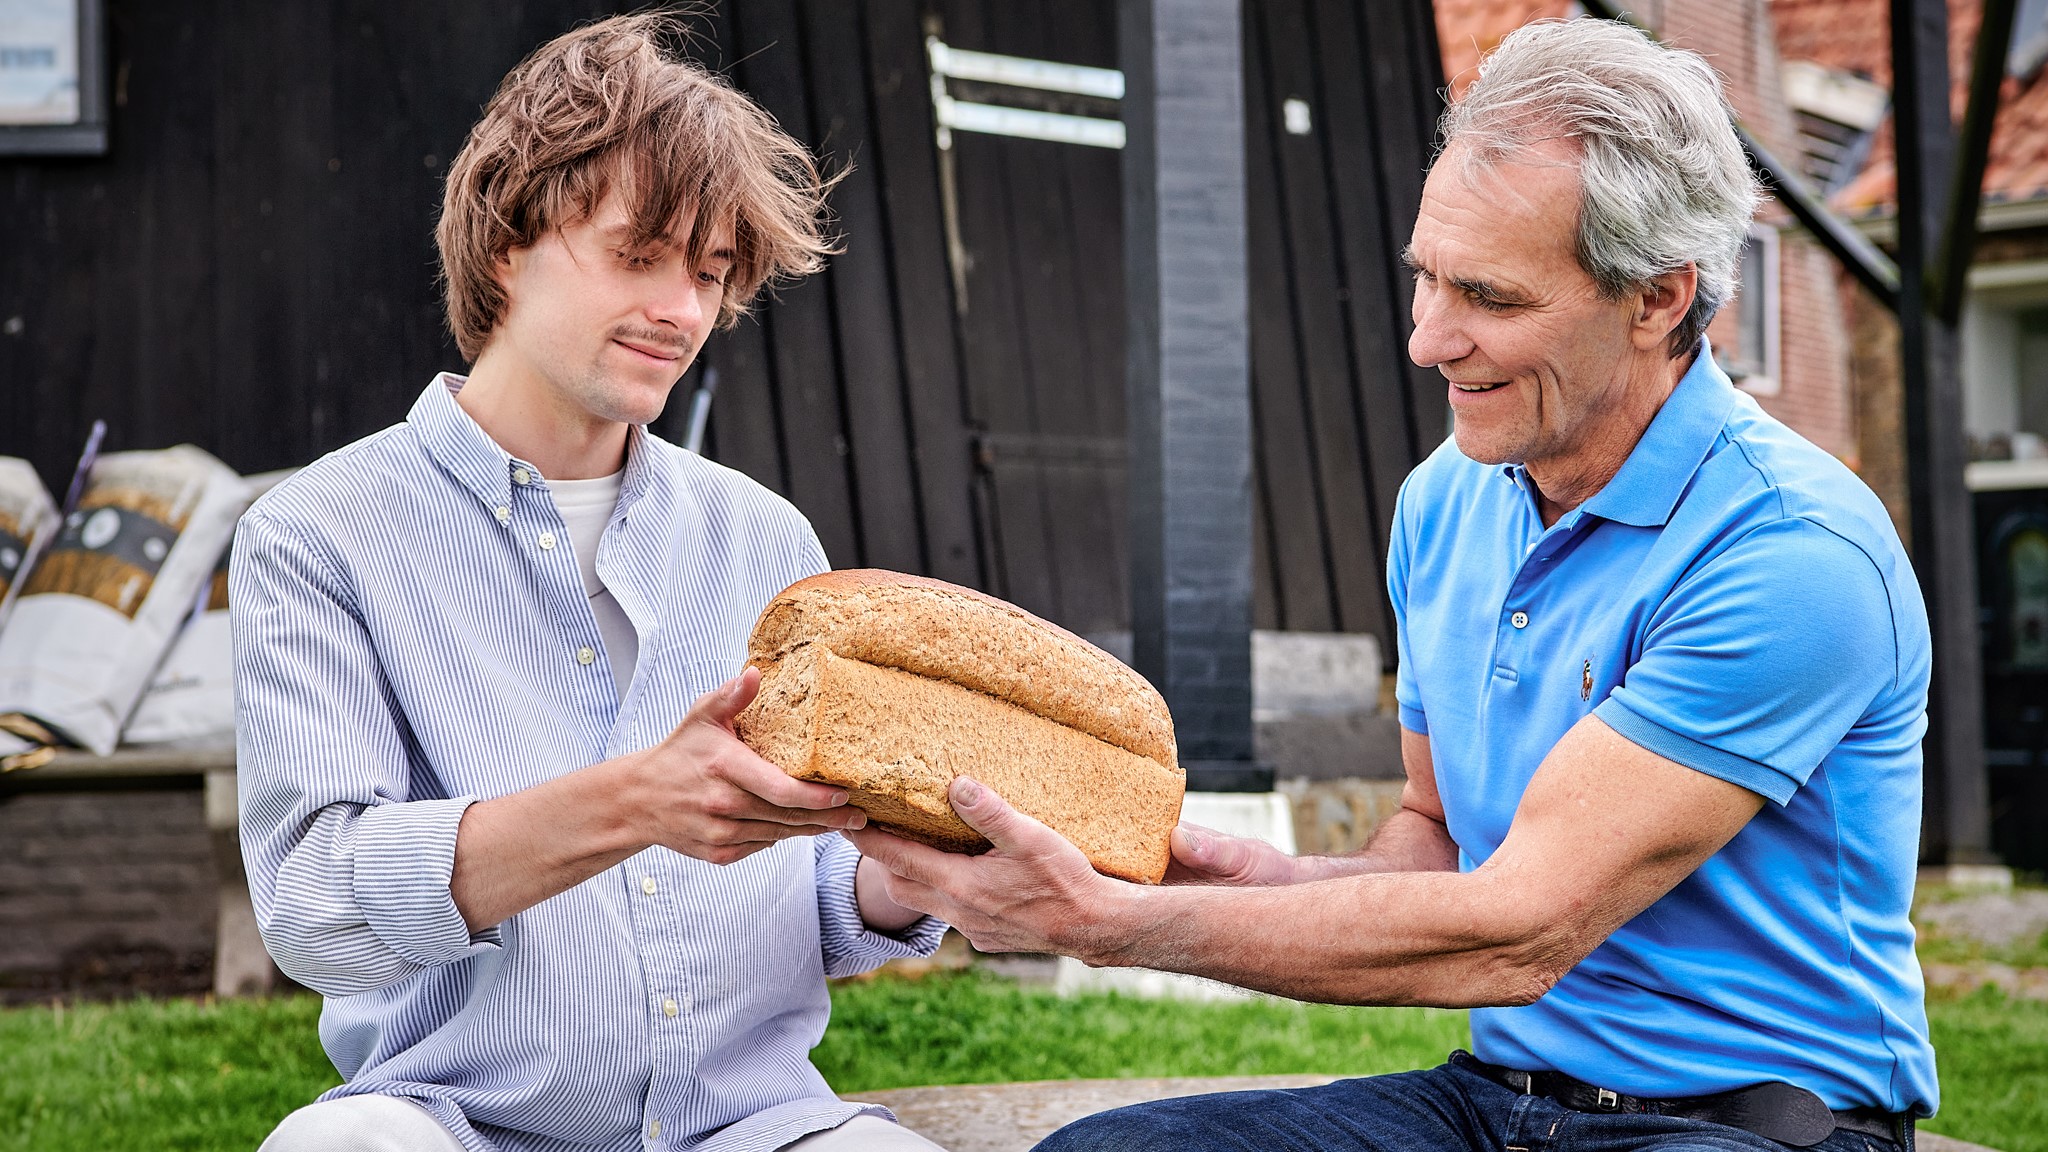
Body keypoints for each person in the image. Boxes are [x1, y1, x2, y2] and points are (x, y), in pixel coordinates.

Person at [850, 18, 1935, 1152]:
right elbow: (1434, 835)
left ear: (1658, 298)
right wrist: (1272, 883)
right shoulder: (1446, 499)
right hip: (1499, 1100)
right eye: (1425, 279)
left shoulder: (1790, 553)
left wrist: (1112, 925)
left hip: (1757, 1127)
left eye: (1490, 299)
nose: (1427, 341)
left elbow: (1517, 933)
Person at [232, 15, 947, 1152]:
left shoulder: (765, 539)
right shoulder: (317, 534)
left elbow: (814, 894)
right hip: (450, 1122)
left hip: (752, 1128)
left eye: (710, 274)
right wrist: (634, 803)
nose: (682, 312)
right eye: (639, 255)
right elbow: (315, 909)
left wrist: (924, 872)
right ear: (507, 240)